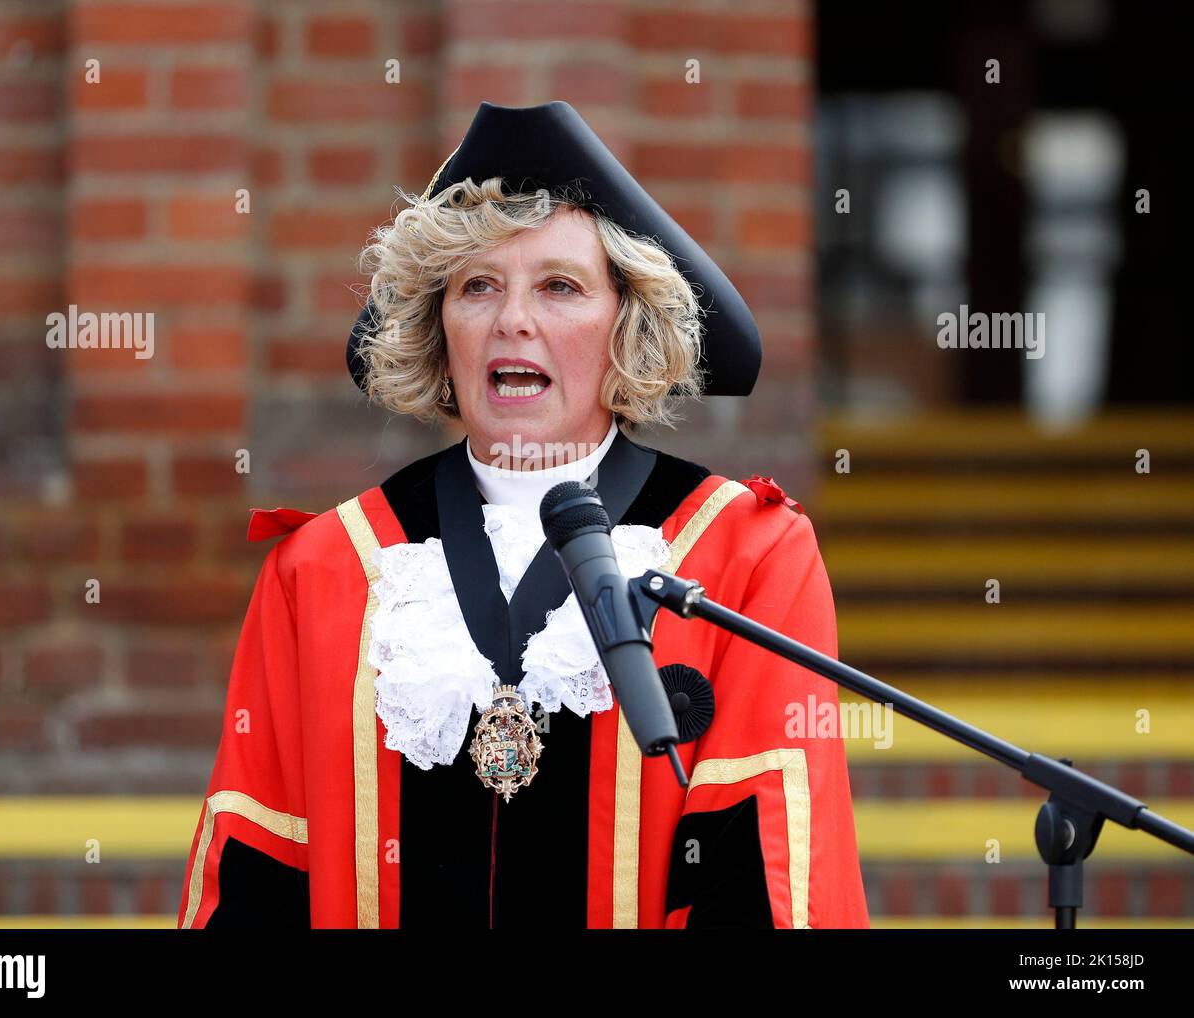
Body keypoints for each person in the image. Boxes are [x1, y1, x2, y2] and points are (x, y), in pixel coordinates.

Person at [177, 100, 870, 929]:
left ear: (628, 325)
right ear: (439, 329)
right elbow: (259, 875)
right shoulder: (322, 568)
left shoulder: (743, 557)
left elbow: (767, 876)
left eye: (559, 287)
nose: (513, 321)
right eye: (477, 287)